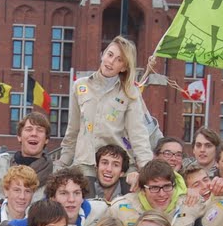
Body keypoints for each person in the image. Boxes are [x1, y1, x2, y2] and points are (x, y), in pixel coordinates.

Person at [59, 36, 154, 182]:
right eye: (110, 55)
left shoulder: (130, 92)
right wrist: (63, 162)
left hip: (117, 165)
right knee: (86, 201)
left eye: (119, 60)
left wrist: (147, 168)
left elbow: (138, 133)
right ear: (102, 55)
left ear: (123, 67)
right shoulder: (80, 86)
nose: (111, 62)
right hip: (86, 163)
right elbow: (73, 129)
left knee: (122, 203)